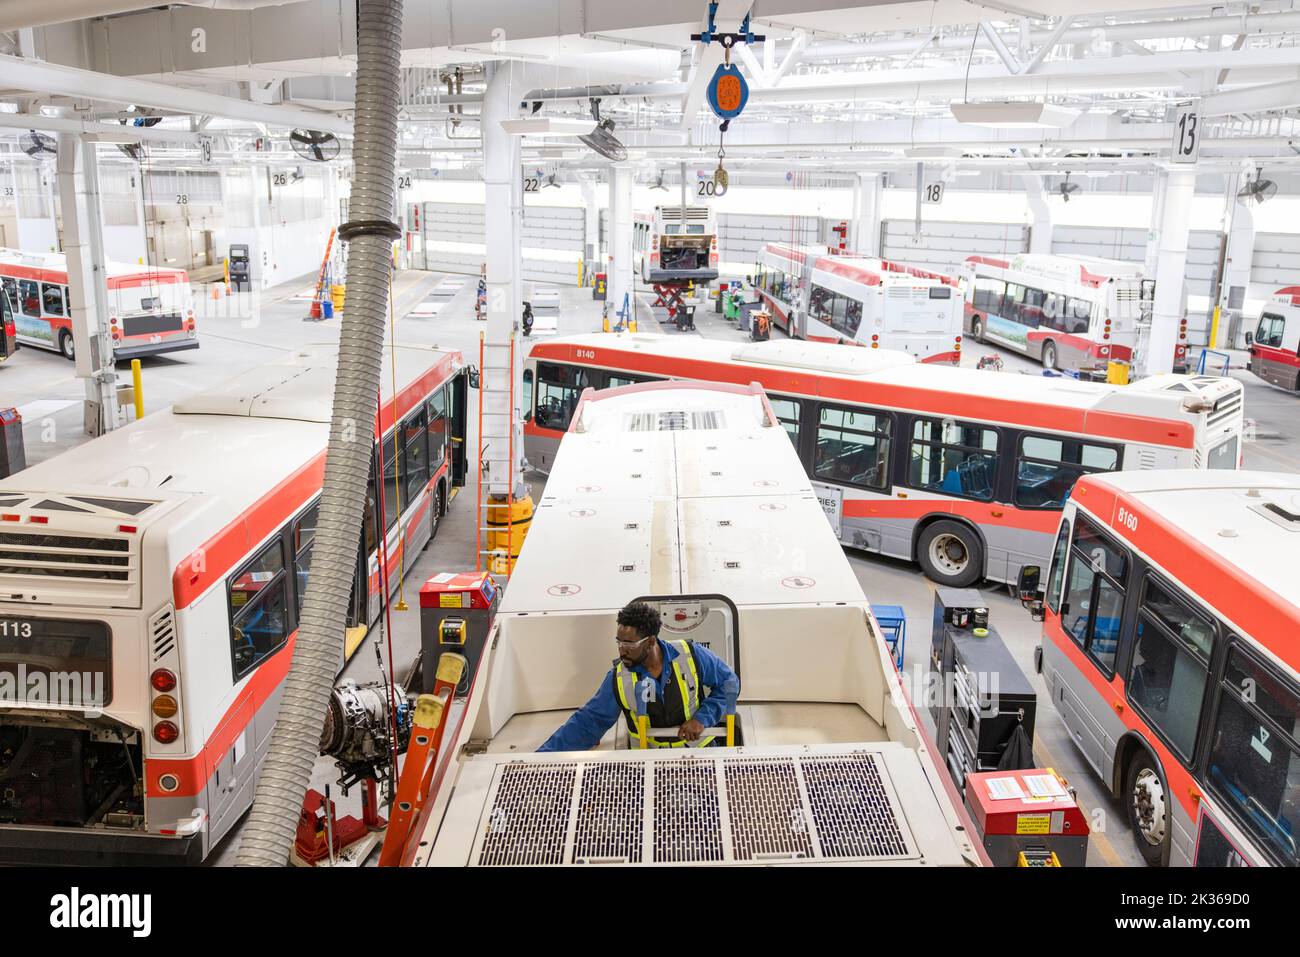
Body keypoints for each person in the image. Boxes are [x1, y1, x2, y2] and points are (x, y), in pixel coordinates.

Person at [538, 601, 739, 752]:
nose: (621, 651)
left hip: (698, 756)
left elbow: (729, 683)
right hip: (646, 763)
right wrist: (540, 759)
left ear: (651, 642)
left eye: (629, 645)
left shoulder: (691, 655)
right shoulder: (618, 678)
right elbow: (589, 721)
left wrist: (702, 718)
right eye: (619, 643)